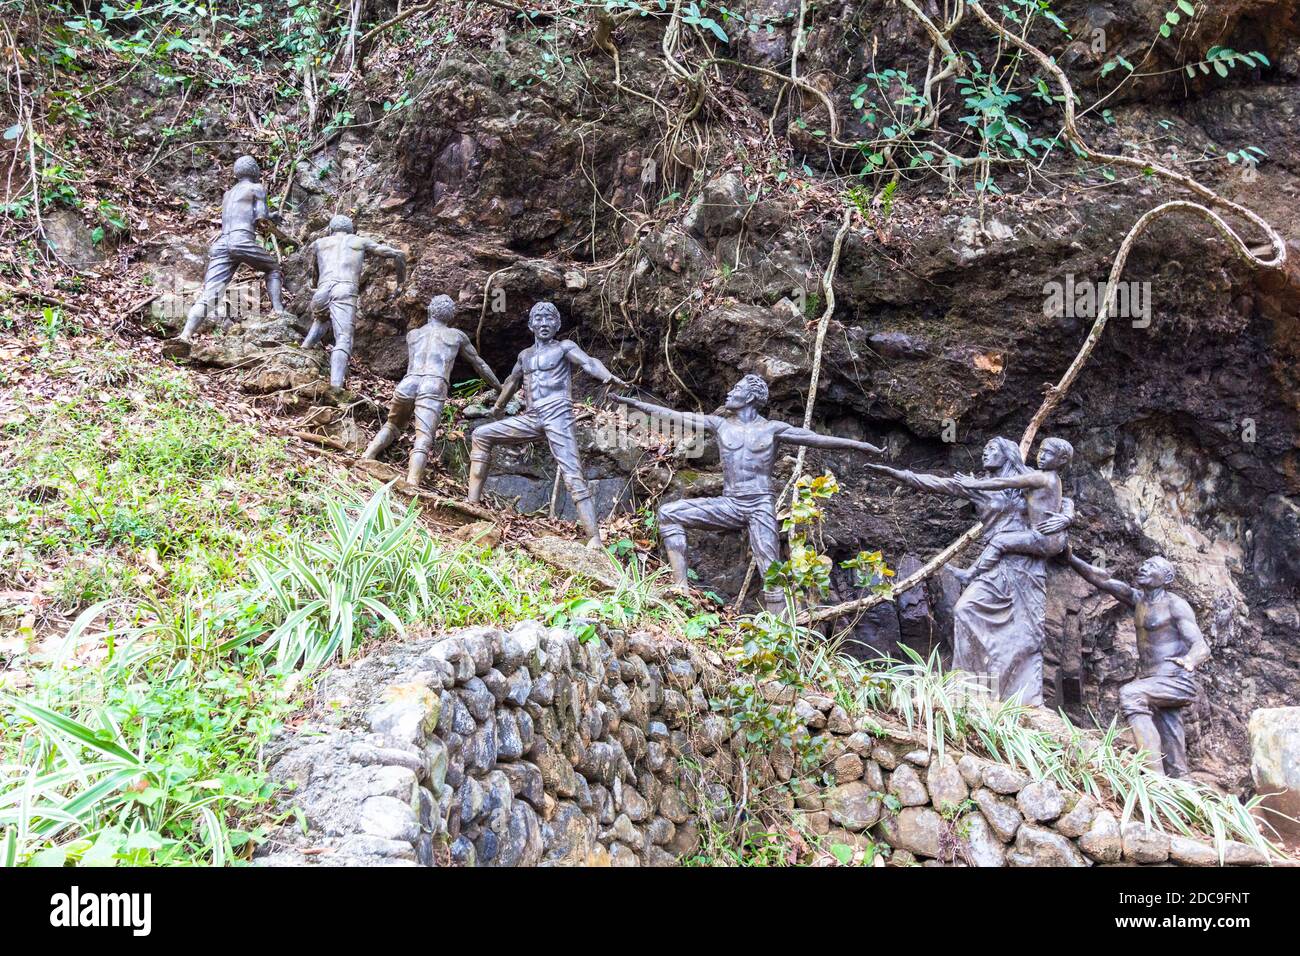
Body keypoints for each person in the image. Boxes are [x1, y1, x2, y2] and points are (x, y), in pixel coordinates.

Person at [612, 374, 882, 615]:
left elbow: (817, 439)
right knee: (669, 513)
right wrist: (633, 403)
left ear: (750, 396)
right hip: (729, 503)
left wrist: (861, 446)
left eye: (736, 388)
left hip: (759, 505)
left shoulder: (772, 429)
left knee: (771, 571)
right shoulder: (719, 425)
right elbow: (674, 416)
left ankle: (781, 633)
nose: (729, 392)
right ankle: (680, 589)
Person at [865, 437, 1074, 705]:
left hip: (1026, 567)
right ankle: (967, 689)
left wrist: (1068, 515)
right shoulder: (980, 487)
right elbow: (939, 484)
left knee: (1026, 634)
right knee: (964, 610)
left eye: (992, 448)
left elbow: (1060, 496)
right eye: (985, 448)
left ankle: (1023, 700)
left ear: (1008, 454)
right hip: (995, 565)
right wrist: (901, 475)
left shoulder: (1029, 478)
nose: (985, 452)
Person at [467, 302, 627, 546]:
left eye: (549, 319)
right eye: (539, 319)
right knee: (481, 434)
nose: (544, 323)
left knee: (573, 474)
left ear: (558, 324)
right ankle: (472, 505)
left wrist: (607, 376)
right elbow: (512, 382)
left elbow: (588, 362)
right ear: (531, 325)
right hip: (531, 416)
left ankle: (594, 538)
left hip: (557, 414)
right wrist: (497, 409)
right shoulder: (525, 355)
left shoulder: (564, 347)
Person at [1065, 550, 1210, 776]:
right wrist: (1070, 558)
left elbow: (1201, 645)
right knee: (1171, 733)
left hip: (1176, 680)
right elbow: (1101, 580)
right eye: (1143, 564)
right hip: (1154, 682)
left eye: (1152, 566)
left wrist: (1190, 660)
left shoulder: (1176, 605)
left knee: (1131, 694)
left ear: (1167, 578)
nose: (1143, 568)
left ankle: (1154, 777)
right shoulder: (1137, 600)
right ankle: (1181, 784)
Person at [363, 294, 501, 486]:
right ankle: (411, 483)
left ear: (429, 310)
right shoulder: (456, 336)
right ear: (451, 316)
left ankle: (366, 457)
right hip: (433, 384)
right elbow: (480, 365)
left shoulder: (414, 335)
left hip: (408, 383)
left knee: (392, 425)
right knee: (424, 438)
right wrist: (499, 387)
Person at [174, 155, 286, 345]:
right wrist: (274, 218)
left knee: (210, 293)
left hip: (222, 243)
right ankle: (278, 311)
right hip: (241, 239)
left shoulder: (228, 195)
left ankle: (185, 335)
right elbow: (261, 218)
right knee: (273, 268)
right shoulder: (256, 188)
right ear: (255, 172)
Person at [300, 214, 407, 390]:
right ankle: (335, 387)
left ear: (331, 229)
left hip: (322, 291)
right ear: (351, 229)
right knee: (343, 338)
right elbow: (397, 254)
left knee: (322, 318)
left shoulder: (319, 243)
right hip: (345, 288)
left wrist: (316, 288)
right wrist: (400, 284)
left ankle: (303, 350)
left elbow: (312, 276)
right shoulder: (359, 241)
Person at [951, 437, 1074, 586]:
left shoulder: (1041, 477)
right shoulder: (1053, 478)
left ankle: (969, 575)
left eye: (1047, 453)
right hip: (1057, 539)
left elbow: (1004, 482)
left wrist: (974, 484)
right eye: (1040, 451)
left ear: (1062, 460)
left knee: (1000, 540)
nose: (1041, 456)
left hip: (1043, 538)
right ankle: (1065, 557)